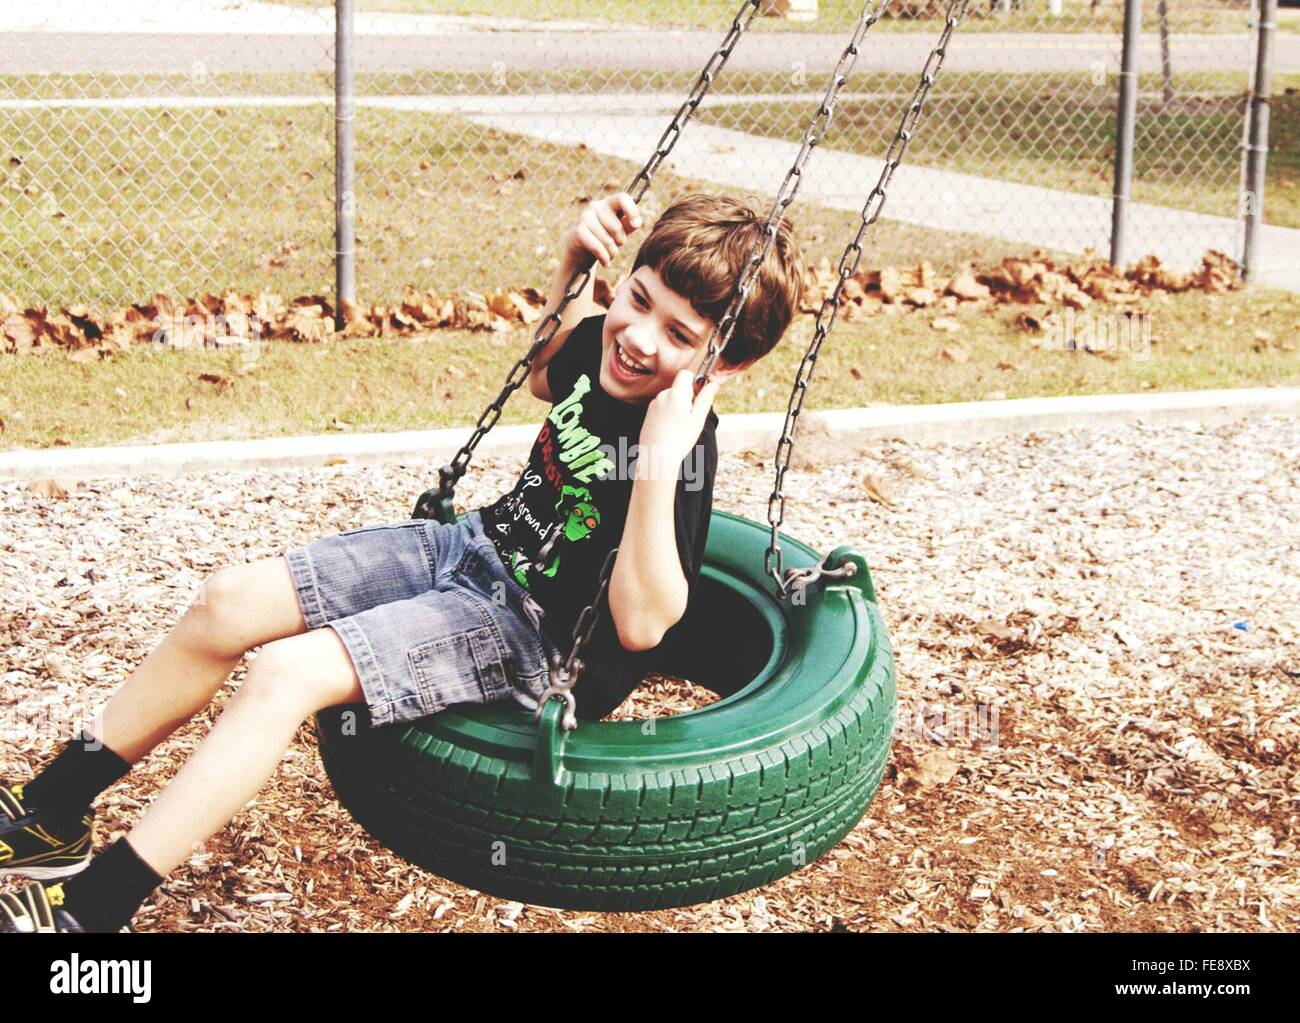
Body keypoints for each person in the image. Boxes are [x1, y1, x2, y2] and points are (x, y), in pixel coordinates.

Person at [0, 191, 805, 933]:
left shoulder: (683, 441)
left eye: (678, 335)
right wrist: (570, 270)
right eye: (638, 300)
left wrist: (660, 457)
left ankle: (97, 908)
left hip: (529, 634)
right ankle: (51, 815)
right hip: (474, 547)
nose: (638, 337)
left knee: (286, 674)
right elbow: (538, 376)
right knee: (227, 601)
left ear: (723, 364)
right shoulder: (604, 339)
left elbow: (640, 623)